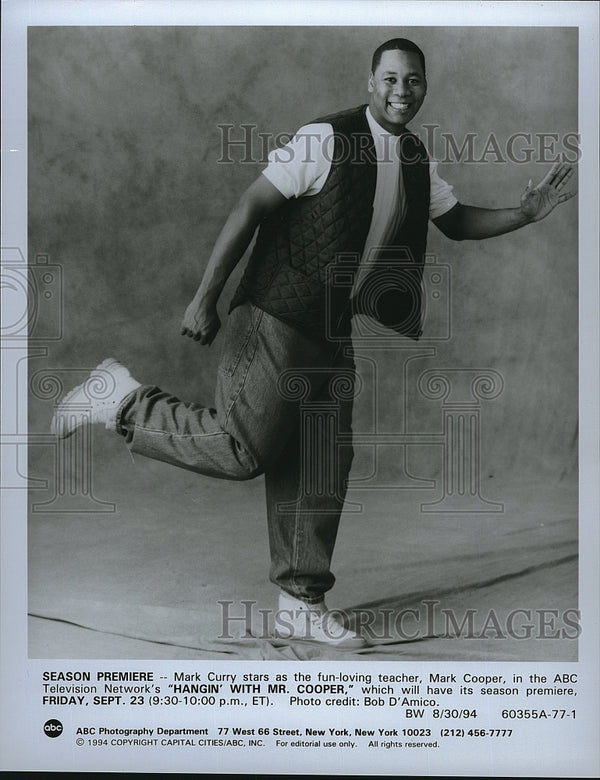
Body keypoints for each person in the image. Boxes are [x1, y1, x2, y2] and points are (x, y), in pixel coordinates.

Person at [51, 38, 575, 649]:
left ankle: (302, 602)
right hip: (277, 313)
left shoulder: (413, 158)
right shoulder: (324, 138)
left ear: (425, 87)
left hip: (332, 328)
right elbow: (251, 205)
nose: (401, 92)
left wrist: (525, 211)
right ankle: (121, 400)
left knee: (321, 463)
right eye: (390, 78)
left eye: (413, 81)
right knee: (243, 449)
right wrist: (206, 295)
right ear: (370, 80)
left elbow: (455, 222)